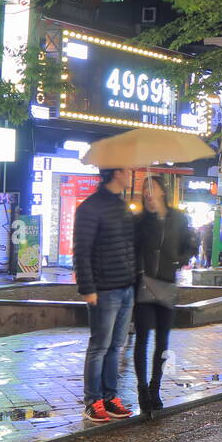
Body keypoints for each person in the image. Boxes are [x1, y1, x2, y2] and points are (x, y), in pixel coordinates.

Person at [73, 167, 138, 423]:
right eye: (128, 170)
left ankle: (111, 397)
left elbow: (128, 246)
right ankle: (92, 401)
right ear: (117, 173)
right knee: (99, 346)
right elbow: (81, 251)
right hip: (104, 289)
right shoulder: (90, 208)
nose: (131, 175)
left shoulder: (121, 206)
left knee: (116, 346)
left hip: (126, 287)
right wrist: (88, 289)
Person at [133, 175, 198, 414]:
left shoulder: (178, 219)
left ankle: (155, 387)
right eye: (145, 190)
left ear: (163, 191)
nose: (148, 193)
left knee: (163, 341)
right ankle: (141, 389)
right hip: (143, 285)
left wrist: (177, 261)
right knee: (142, 339)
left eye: (153, 188)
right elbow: (132, 250)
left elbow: (191, 245)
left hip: (167, 284)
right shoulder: (139, 221)